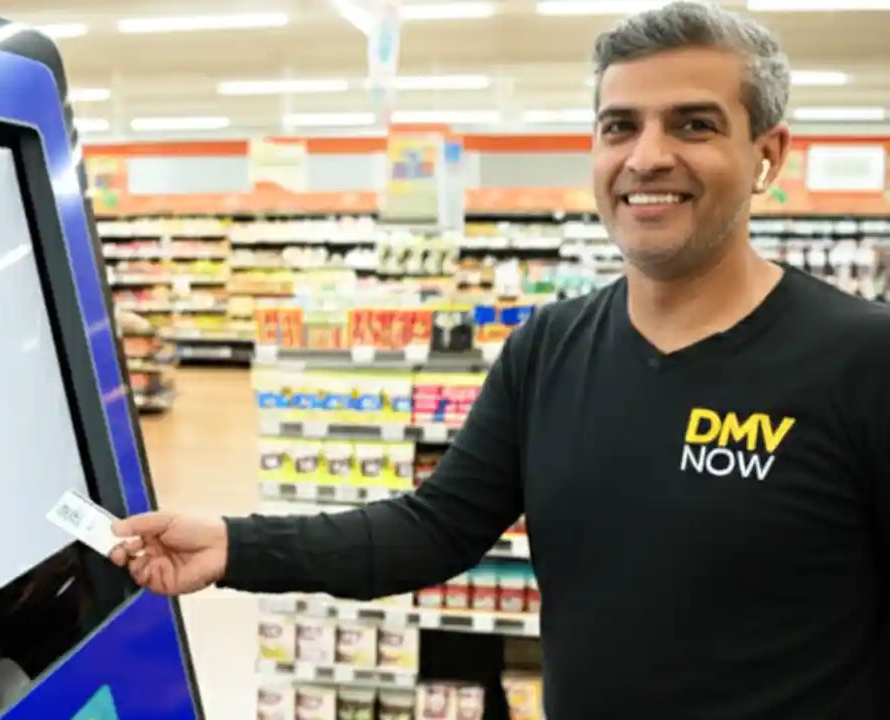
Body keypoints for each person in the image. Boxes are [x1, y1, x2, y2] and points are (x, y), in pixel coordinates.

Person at [110, 3, 890, 717]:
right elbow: (434, 527)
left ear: (768, 153)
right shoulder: (547, 348)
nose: (647, 157)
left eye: (693, 125)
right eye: (619, 126)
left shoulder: (862, 359)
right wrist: (235, 545)